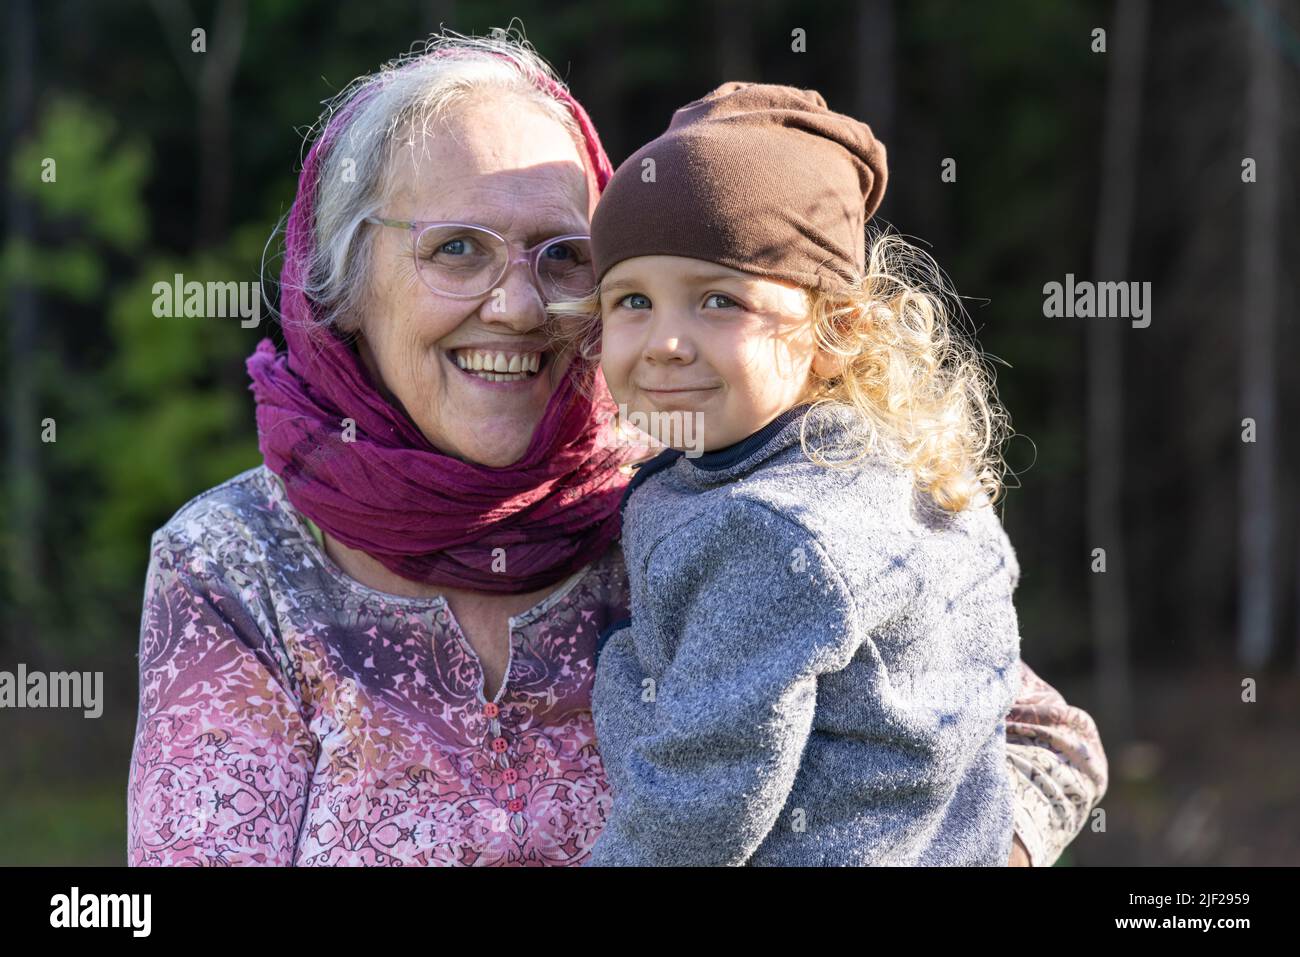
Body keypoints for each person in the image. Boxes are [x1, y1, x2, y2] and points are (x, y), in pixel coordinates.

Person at [127, 31, 1106, 866]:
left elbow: (1040, 742)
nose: (515, 307)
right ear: (342, 279)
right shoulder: (234, 564)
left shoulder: (711, 489)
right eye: (456, 249)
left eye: (563, 256)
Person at [554, 81, 1022, 865]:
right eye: (633, 300)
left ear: (836, 328)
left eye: (717, 301)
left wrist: (623, 665)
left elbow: (697, 810)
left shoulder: (771, 534)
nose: (666, 342)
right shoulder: (906, 469)